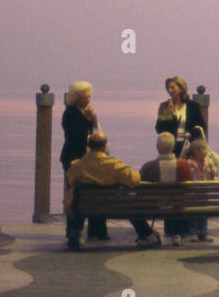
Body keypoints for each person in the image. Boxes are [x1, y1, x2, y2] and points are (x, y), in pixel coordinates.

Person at [65, 132, 160, 250]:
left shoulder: (77, 166)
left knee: (76, 199)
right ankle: (146, 234)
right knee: (132, 203)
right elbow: (135, 179)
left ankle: (74, 235)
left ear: (89, 146)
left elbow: (70, 180)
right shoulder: (114, 165)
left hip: (84, 207)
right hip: (112, 207)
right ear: (104, 147)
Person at [60, 81, 107, 241]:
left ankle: (95, 230)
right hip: (74, 158)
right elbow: (79, 137)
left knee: (91, 192)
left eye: (89, 97)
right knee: (74, 193)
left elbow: (93, 133)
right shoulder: (71, 114)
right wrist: (90, 120)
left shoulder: (83, 112)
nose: (88, 100)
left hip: (85, 158)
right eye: (84, 97)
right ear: (76, 98)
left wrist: (92, 119)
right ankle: (74, 228)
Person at [139, 132, 193, 245]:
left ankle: (148, 234)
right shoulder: (184, 165)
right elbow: (188, 190)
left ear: (157, 147)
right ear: (174, 147)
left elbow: (138, 189)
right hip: (178, 207)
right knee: (179, 200)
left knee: (132, 207)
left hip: (153, 207)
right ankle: (177, 233)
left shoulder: (148, 167)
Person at [182, 127, 219, 243]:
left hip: (203, 192)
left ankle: (203, 232)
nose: (205, 151)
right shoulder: (190, 164)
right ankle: (194, 232)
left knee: (203, 213)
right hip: (193, 193)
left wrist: (212, 173)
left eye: (205, 149)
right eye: (201, 149)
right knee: (194, 214)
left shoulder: (207, 164)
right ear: (194, 152)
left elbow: (212, 178)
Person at [155, 76, 205, 158]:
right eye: (168, 88)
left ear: (181, 88)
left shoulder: (192, 106)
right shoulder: (164, 106)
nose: (169, 90)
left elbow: (201, 126)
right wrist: (170, 115)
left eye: (172, 87)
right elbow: (159, 129)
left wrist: (191, 133)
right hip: (170, 147)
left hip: (188, 146)